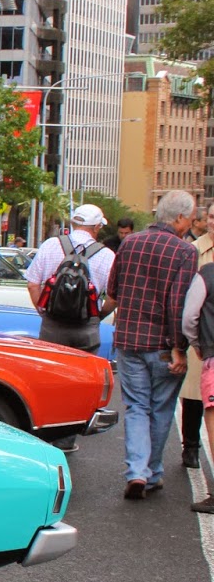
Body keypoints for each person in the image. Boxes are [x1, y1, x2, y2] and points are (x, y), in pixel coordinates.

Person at [109, 190, 198, 500]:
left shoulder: (129, 242)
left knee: (136, 407)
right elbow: (178, 304)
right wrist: (179, 346)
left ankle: (136, 471)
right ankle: (151, 472)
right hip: (161, 343)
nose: (191, 223)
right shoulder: (184, 252)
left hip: (128, 339)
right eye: (190, 217)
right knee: (160, 408)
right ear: (178, 218)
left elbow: (114, 288)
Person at [24, 203, 116, 354]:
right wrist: (97, 317)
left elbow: (32, 285)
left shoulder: (50, 245)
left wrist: (44, 312)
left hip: (53, 325)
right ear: (97, 227)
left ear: (73, 223)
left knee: (51, 371)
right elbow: (113, 299)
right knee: (83, 373)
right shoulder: (107, 255)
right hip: (86, 327)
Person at [179, 207, 214, 469]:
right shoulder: (192, 250)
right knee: (192, 397)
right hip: (200, 337)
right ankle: (190, 446)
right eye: (211, 217)